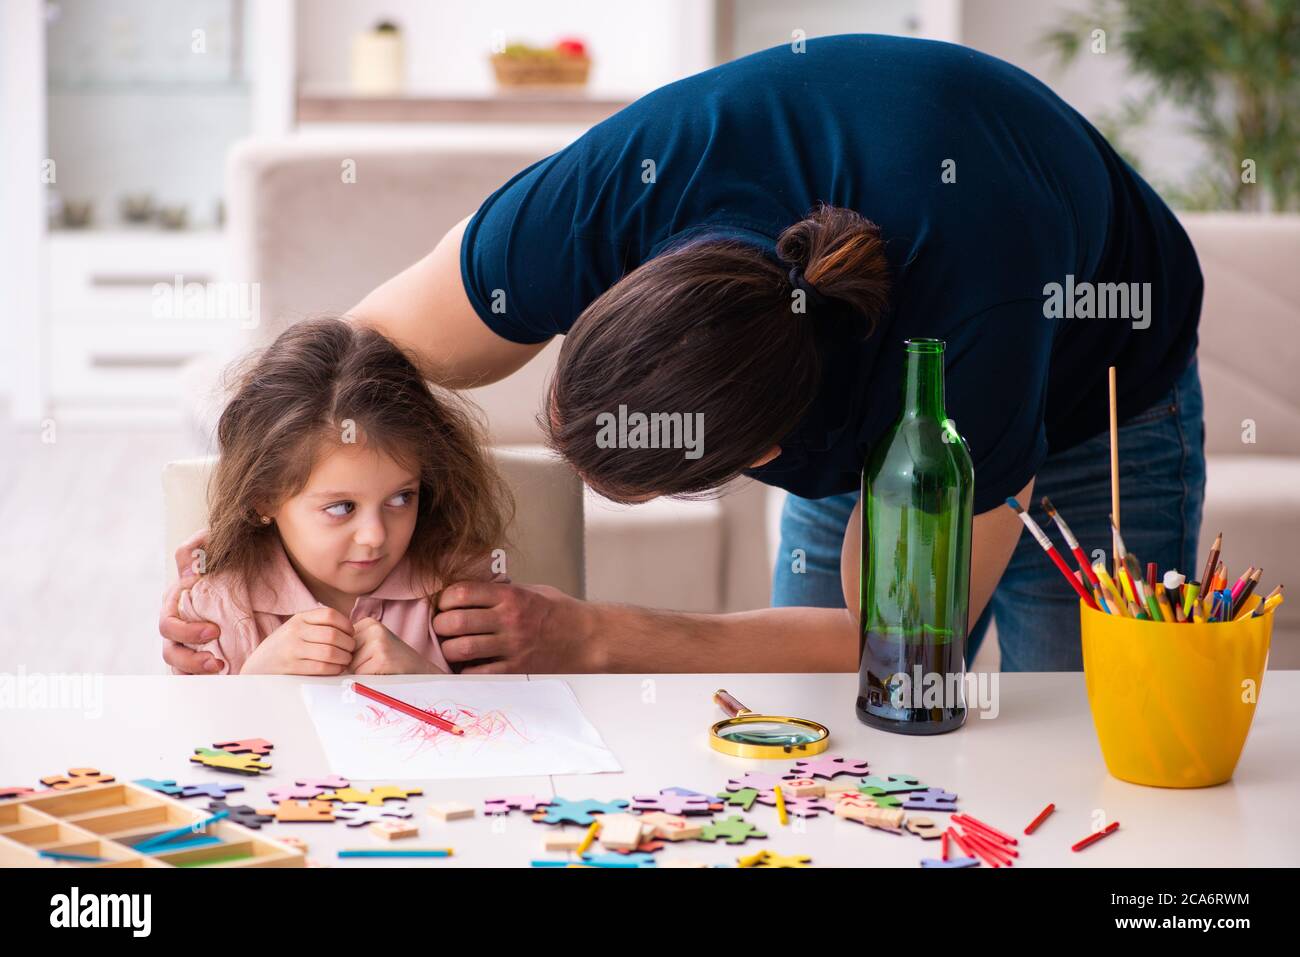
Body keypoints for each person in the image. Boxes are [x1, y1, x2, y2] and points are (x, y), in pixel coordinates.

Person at [162, 35, 1203, 675]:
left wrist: (594, 636)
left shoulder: (967, 341)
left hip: (1099, 384)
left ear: (769, 451)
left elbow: (892, 647)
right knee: (827, 760)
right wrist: (242, 551)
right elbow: (336, 376)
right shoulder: (595, 207)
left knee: (1074, 738)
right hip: (893, 287)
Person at [167, 317, 509, 675]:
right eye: (342, 507)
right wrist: (257, 678)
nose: (375, 535)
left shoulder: (465, 589)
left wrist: (426, 681)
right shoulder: (218, 607)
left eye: (401, 498)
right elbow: (196, 714)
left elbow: (510, 709)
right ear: (263, 497)